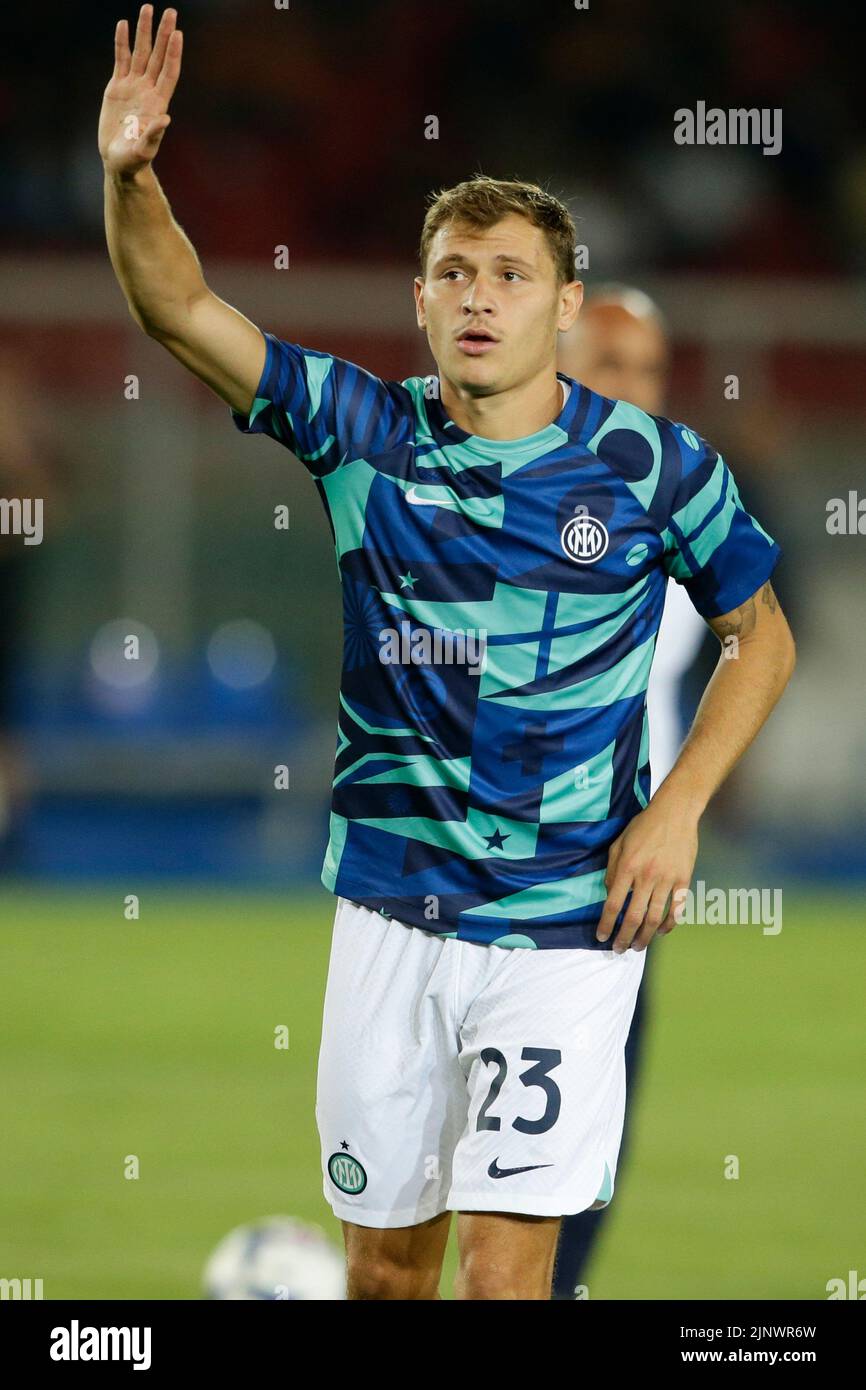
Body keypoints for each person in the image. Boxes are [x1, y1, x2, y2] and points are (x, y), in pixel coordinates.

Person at [100, 6, 796, 1300]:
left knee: (502, 1273)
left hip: (564, 921)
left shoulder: (650, 464)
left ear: (564, 301)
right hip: (386, 907)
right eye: (456, 273)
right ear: (420, 298)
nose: (481, 297)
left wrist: (679, 809)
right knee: (381, 1274)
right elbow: (177, 305)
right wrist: (131, 175)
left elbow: (761, 635)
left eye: (511, 273)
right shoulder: (363, 430)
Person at [552, 287, 708, 1296]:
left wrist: (678, 807)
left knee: (597, 1118)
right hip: (485, 863)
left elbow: (758, 646)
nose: (627, 390)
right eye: (605, 365)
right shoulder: (498, 489)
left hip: (625, 874)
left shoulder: (685, 505)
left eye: (644, 369)